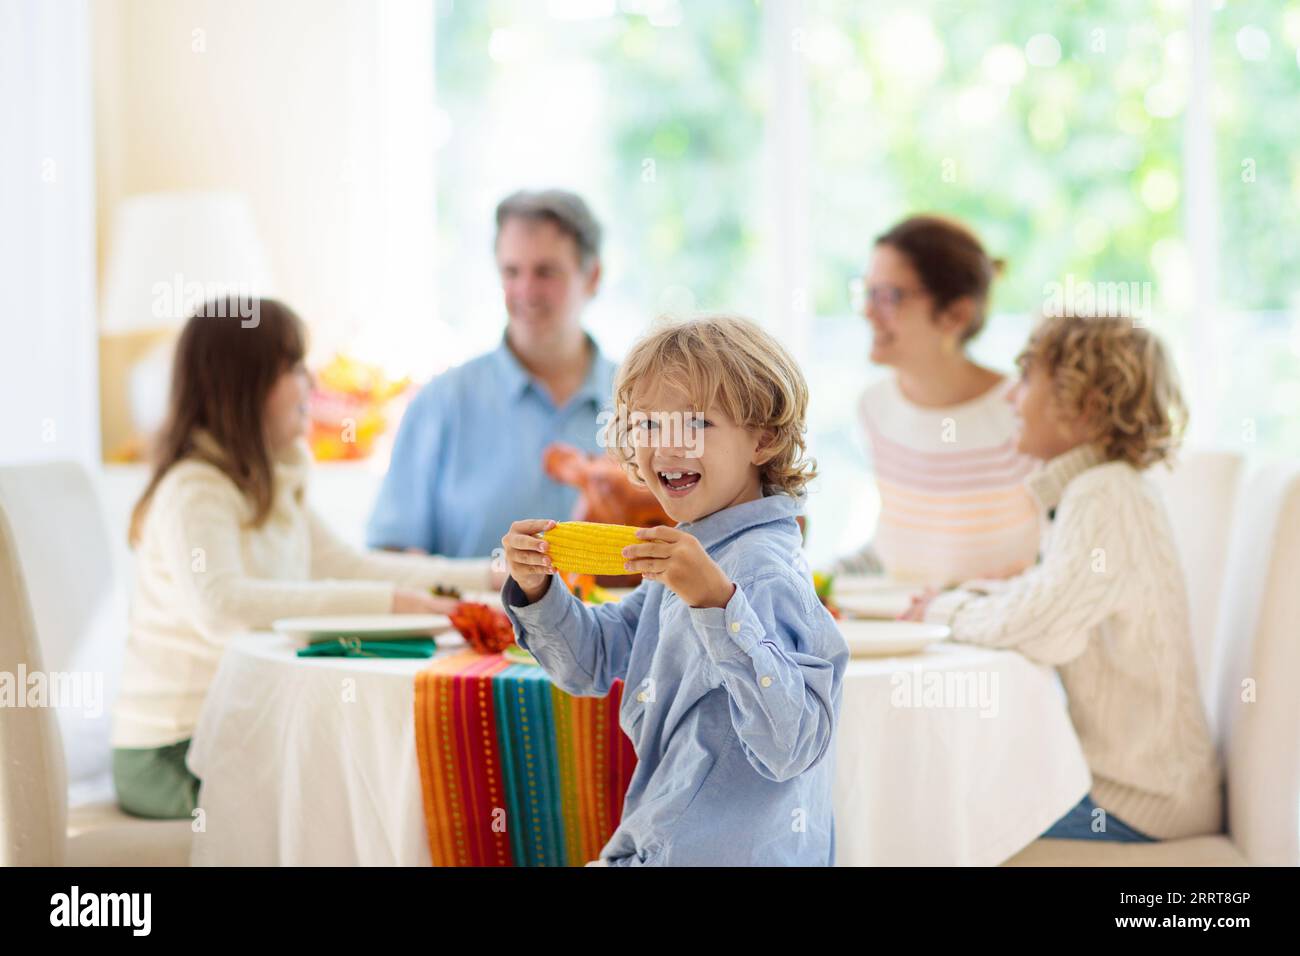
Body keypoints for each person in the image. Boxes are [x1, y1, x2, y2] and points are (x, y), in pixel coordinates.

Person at [111, 297, 489, 819]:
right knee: (357, 794)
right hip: (171, 752)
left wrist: (489, 574)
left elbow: (351, 566)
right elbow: (223, 606)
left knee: (374, 779)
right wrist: (388, 605)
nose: (310, 383)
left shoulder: (269, 479)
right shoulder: (196, 489)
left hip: (231, 730)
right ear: (243, 385)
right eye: (292, 367)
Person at [500, 315, 848, 865]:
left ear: (765, 438)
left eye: (694, 425)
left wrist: (717, 604)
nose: (666, 448)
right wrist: (539, 588)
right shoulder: (695, 552)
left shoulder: (759, 571)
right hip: (659, 844)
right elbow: (592, 661)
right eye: (647, 425)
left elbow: (792, 745)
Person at [907, 314, 1222, 841]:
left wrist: (942, 613)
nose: (1011, 398)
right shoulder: (1105, 490)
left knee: (932, 818)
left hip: (1138, 804)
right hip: (1140, 794)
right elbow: (1048, 598)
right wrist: (970, 597)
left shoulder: (1103, 495)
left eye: (1028, 379)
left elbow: (1046, 628)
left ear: (1087, 405)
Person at [366, 189, 618, 558]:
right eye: (511, 272)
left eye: (546, 272)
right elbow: (392, 551)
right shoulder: (441, 403)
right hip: (474, 615)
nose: (526, 291)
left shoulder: (646, 403)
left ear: (592, 277)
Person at [832, 215, 1040, 587]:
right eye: (867, 292)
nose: (867, 311)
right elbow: (900, 552)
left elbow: (1054, 563)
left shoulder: (1027, 412)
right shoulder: (874, 409)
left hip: (997, 639)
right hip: (908, 634)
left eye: (888, 296)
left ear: (955, 316)